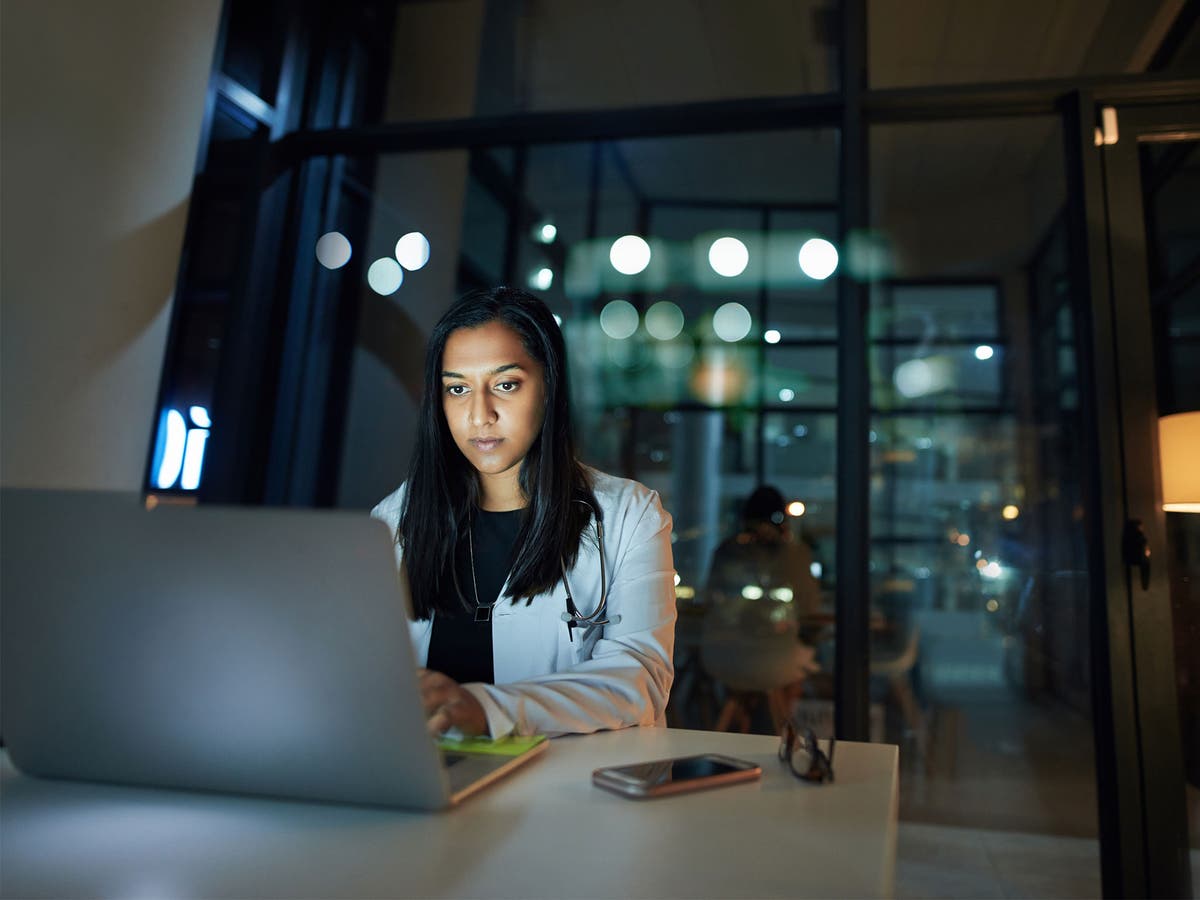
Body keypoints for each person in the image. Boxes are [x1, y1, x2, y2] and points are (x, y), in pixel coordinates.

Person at [371, 286, 676, 739]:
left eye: (506, 384)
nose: (480, 414)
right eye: (457, 388)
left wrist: (483, 707)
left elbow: (639, 679)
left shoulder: (630, 516)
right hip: (425, 783)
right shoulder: (394, 521)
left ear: (549, 385)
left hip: (565, 793)